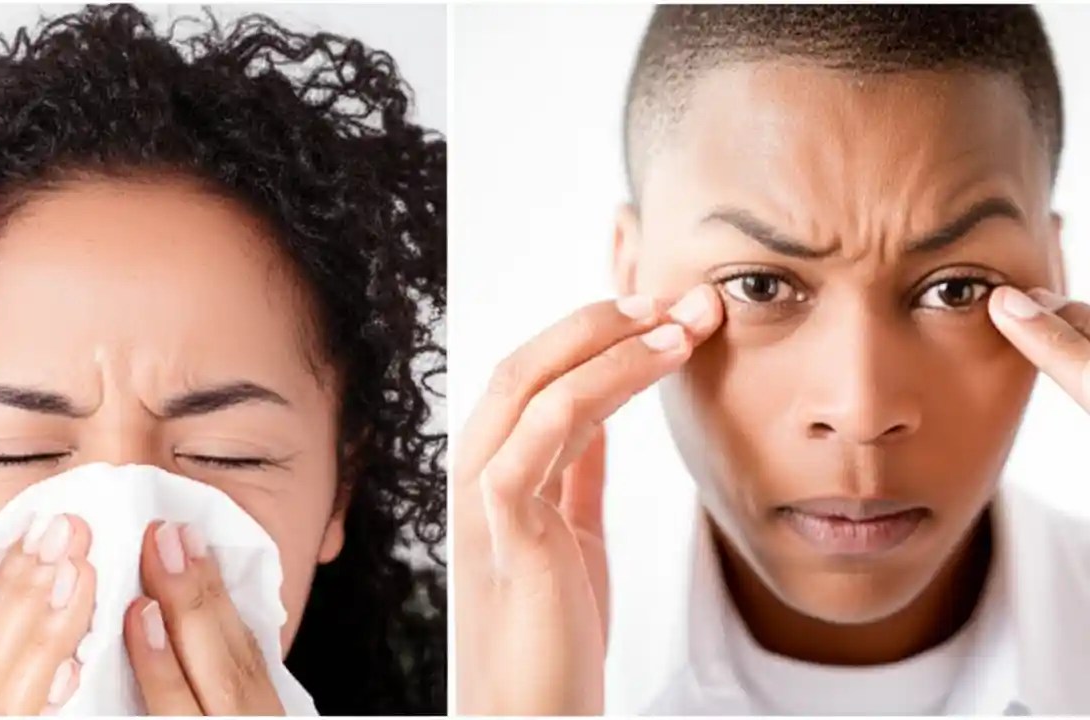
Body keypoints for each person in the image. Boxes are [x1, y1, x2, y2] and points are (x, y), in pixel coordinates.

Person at [0, 5, 445, 715]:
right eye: (18, 454)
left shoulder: (484, 677)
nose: (126, 543)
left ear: (339, 488)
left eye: (228, 455)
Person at [455, 5, 1090, 715]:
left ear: (1055, 276)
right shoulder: (476, 668)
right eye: (760, 285)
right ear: (632, 274)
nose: (861, 411)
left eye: (958, 289)